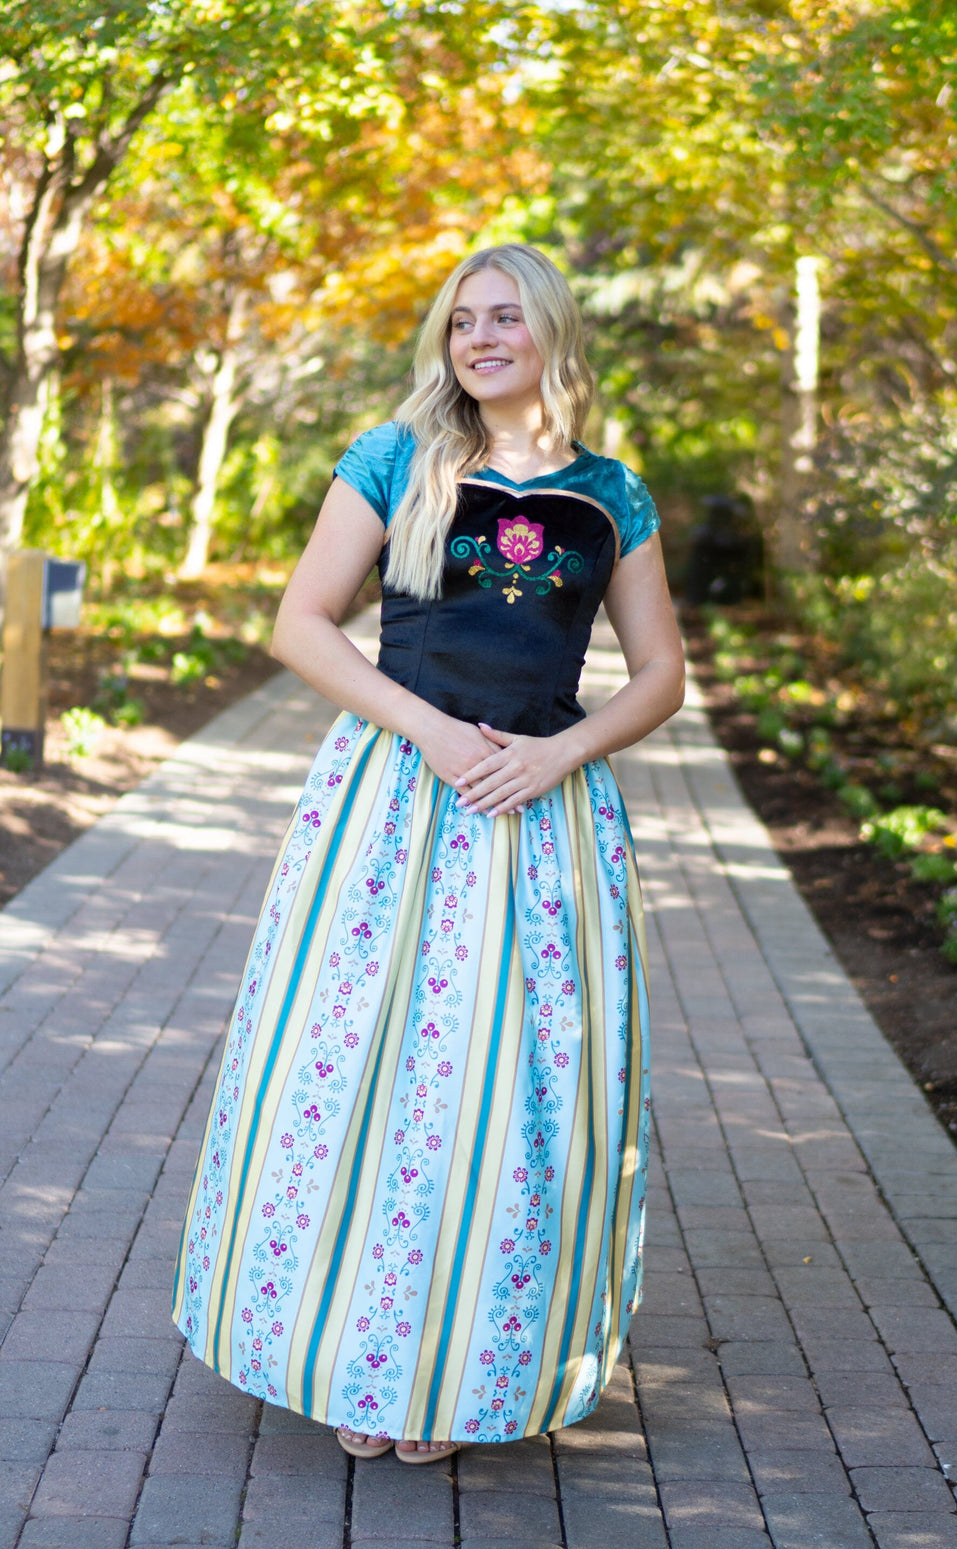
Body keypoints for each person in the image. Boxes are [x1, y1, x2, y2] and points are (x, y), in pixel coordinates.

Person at [171, 243, 685, 1464]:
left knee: (511, 1092)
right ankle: (355, 1363)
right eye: (463, 322)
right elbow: (302, 625)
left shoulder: (612, 493)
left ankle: (457, 1374)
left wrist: (562, 755)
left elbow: (661, 673)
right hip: (393, 803)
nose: (482, 339)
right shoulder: (396, 458)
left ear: (552, 331)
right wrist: (435, 734)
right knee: (358, 1067)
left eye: (506, 317)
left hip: (540, 818)